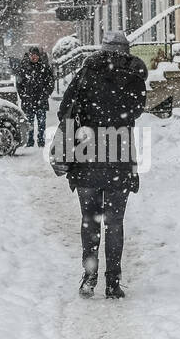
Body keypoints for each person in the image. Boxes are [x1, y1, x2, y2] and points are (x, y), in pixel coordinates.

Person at [56, 31, 147, 298]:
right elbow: (136, 111)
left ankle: (89, 277)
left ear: (102, 49)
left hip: (87, 155)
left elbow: (65, 110)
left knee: (89, 220)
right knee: (115, 223)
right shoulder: (133, 77)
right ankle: (113, 282)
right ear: (126, 50)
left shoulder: (86, 72)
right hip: (119, 155)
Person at [17, 47, 55, 147]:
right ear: (29, 56)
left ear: (38, 56)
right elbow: (19, 84)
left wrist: (45, 94)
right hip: (28, 101)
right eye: (32, 55)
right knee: (29, 123)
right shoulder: (24, 68)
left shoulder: (45, 68)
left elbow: (50, 83)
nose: (34, 57)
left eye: (36, 55)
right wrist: (23, 96)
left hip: (41, 100)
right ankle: (30, 140)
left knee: (41, 122)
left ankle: (41, 140)